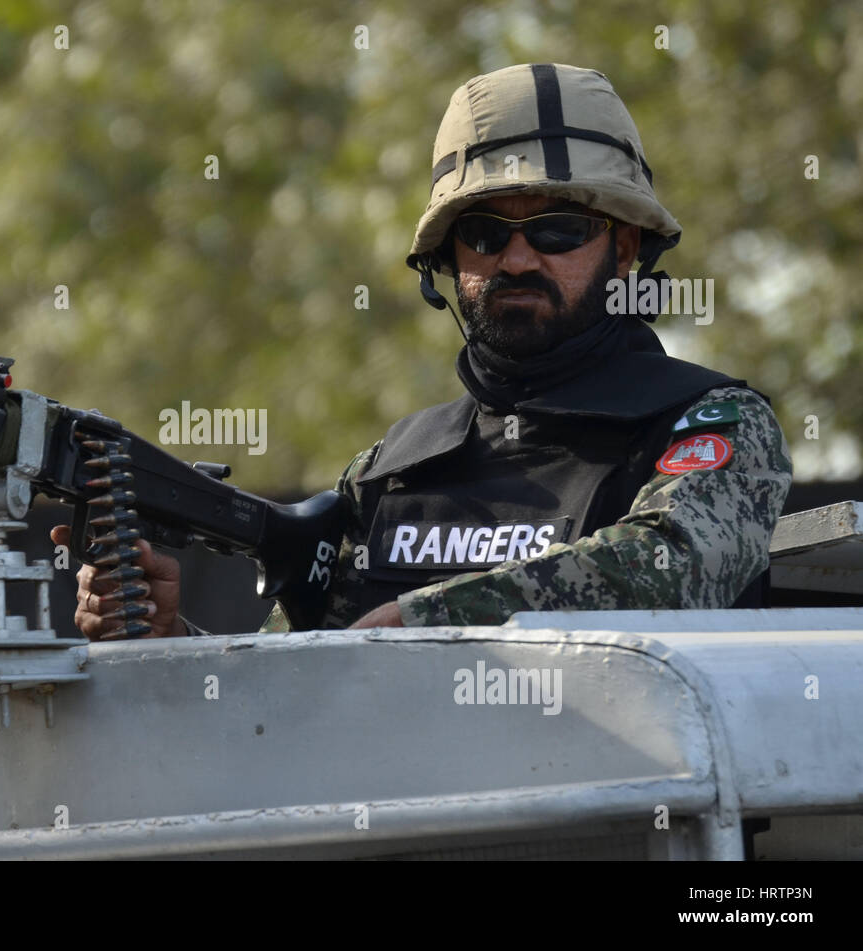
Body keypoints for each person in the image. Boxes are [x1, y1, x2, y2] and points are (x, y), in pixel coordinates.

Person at [51, 63, 793, 639]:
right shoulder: (389, 472)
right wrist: (169, 639)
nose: (517, 259)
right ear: (449, 261)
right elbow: (295, 705)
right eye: (485, 232)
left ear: (625, 247)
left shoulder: (711, 423)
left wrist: (423, 622)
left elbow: (665, 576)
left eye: (558, 229)